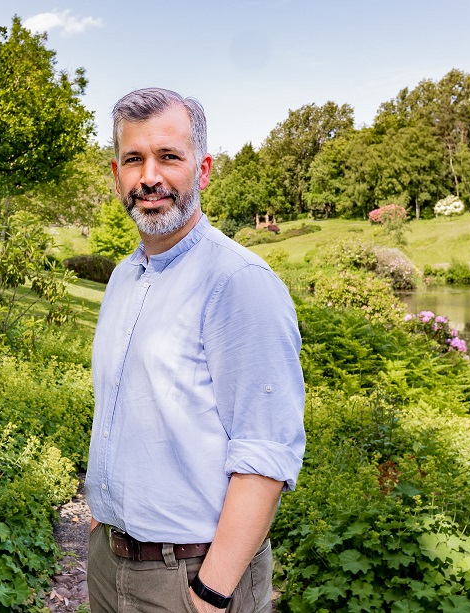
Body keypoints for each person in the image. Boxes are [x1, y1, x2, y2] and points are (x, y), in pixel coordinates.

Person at [85, 87, 306, 613]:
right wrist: (101, 517)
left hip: (190, 577)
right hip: (108, 562)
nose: (149, 177)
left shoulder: (238, 282)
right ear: (117, 173)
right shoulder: (123, 277)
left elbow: (266, 452)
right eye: (134, 159)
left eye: (169, 157)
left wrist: (210, 592)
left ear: (202, 169)